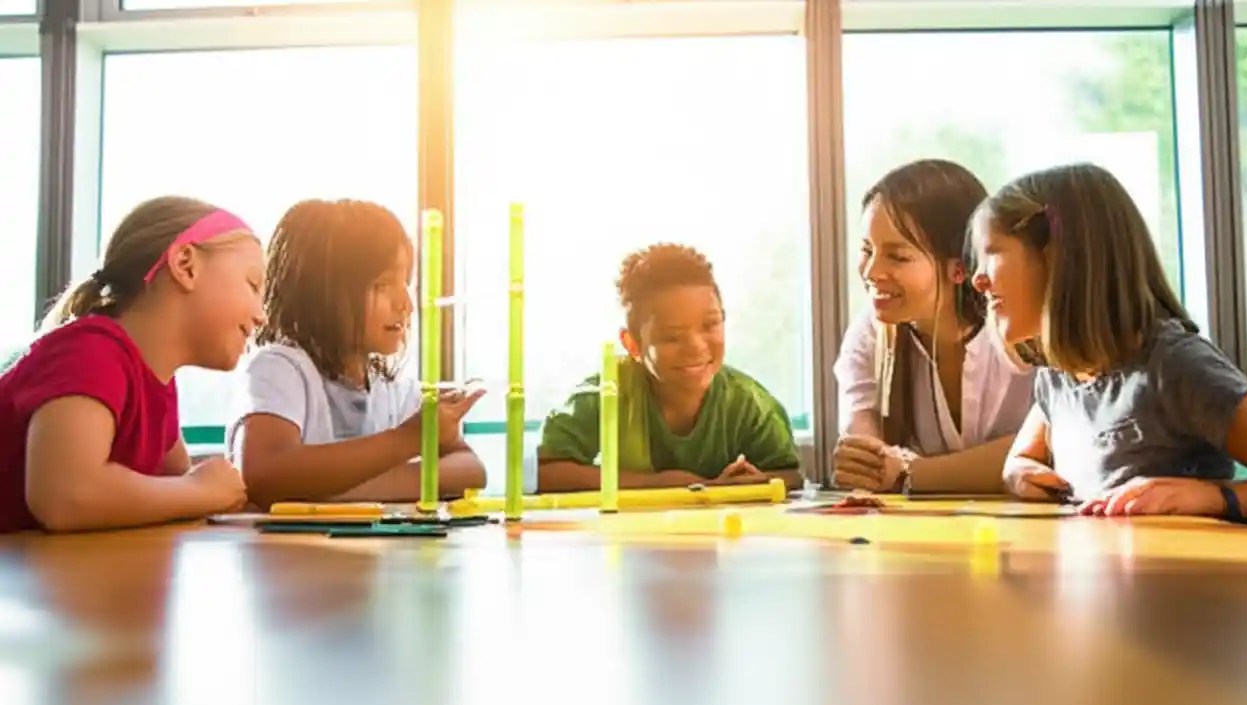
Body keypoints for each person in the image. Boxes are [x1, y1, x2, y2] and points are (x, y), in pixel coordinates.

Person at [970, 162, 1247, 521]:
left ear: (1060, 256)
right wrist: (1018, 472)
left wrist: (1213, 497)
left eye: (992, 253)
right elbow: (1021, 457)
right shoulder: (1058, 375)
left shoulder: (1175, 366)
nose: (978, 279)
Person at [0, 196, 262, 532]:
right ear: (185, 265)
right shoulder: (90, 351)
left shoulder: (157, 384)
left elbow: (171, 484)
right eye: (253, 285)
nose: (261, 314)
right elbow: (66, 496)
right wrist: (199, 489)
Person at [228, 199, 485, 508]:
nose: (405, 303)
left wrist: (338, 491)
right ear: (322, 290)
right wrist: (409, 439)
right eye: (382, 284)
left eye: (405, 283)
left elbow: (471, 470)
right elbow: (266, 475)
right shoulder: (280, 368)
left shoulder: (392, 390)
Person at [833, 159, 1033, 494]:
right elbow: (869, 463)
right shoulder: (873, 333)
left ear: (960, 268)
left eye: (897, 257)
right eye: (867, 250)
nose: (871, 272)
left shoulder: (1019, 328)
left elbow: (1046, 447)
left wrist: (913, 472)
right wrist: (865, 465)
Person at [537, 243, 802, 491]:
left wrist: (748, 485)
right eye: (672, 336)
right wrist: (660, 484)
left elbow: (791, 475)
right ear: (632, 345)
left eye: (710, 325)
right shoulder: (606, 394)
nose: (696, 347)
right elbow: (545, 473)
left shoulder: (749, 404)